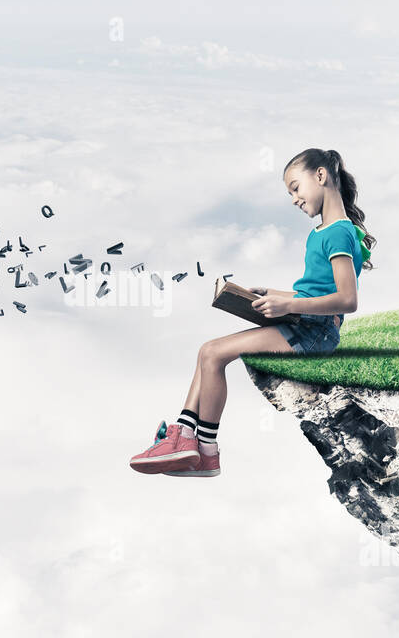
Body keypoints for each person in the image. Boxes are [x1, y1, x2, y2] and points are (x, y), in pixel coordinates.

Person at [128, 147, 375, 478]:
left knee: (214, 354)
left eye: (295, 188)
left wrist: (289, 305)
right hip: (304, 322)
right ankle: (186, 437)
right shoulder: (324, 231)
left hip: (315, 333)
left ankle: (205, 452)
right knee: (207, 351)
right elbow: (318, 292)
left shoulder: (338, 232)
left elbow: (347, 300)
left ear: (321, 176)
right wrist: (276, 294)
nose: (294, 199)